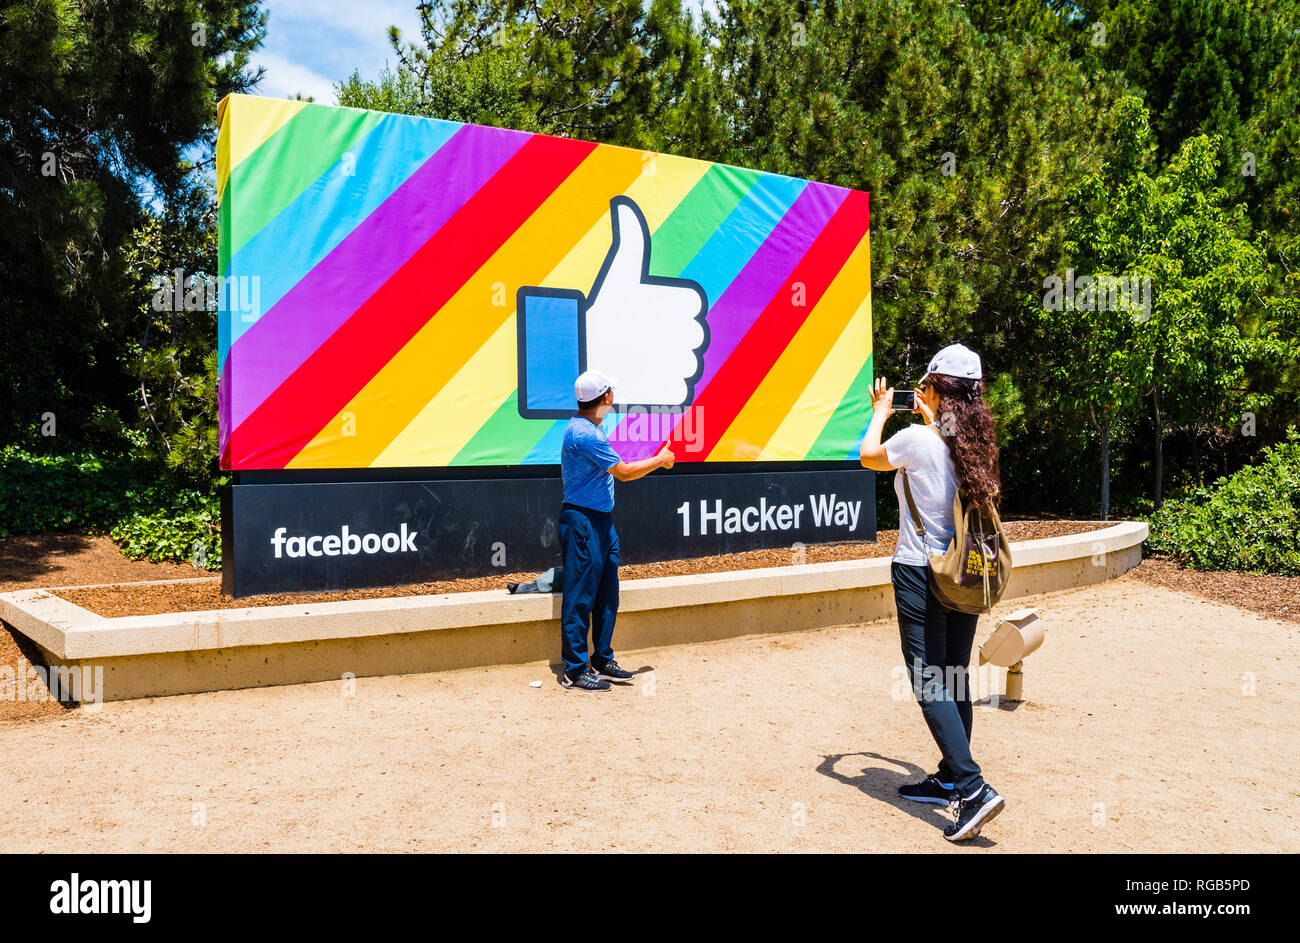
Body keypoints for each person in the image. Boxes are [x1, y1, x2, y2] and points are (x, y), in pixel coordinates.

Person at [858, 343, 1007, 842]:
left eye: (924, 384)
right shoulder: (976, 444)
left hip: (920, 570)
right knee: (953, 674)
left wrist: (881, 413)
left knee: (926, 678)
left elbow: (867, 457)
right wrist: (933, 413)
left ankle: (973, 788)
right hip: (964, 570)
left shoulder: (917, 440)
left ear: (937, 388)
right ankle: (949, 776)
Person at [558, 369, 675, 691]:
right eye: (612, 393)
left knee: (608, 594)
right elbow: (623, 472)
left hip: (600, 521)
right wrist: (661, 459)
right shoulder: (586, 434)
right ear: (606, 397)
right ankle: (575, 671)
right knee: (580, 597)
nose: (614, 397)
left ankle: (602, 660)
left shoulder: (590, 428)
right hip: (583, 521)